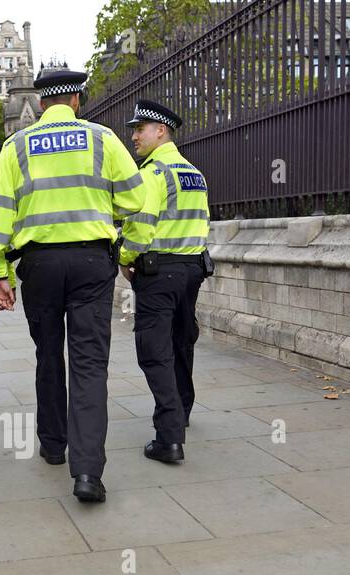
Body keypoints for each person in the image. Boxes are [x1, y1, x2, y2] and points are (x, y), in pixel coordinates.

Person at [0, 69, 153, 503]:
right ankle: (88, 473)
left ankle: (53, 444)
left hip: (38, 264)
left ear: (41, 104)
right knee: (89, 363)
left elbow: (0, 212)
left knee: (48, 353)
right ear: (76, 100)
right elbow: (136, 198)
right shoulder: (101, 138)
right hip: (91, 260)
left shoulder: (16, 146)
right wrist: (101, 206)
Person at [120, 99, 212, 465]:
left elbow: (141, 225)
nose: (133, 136)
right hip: (191, 269)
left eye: (140, 129)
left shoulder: (153, 173)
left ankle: (169, 437)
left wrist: (126, 259)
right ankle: (183, 411)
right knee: (182, 340)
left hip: (158, 273)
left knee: (154, 350)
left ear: (161, 131)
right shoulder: (193, 172)